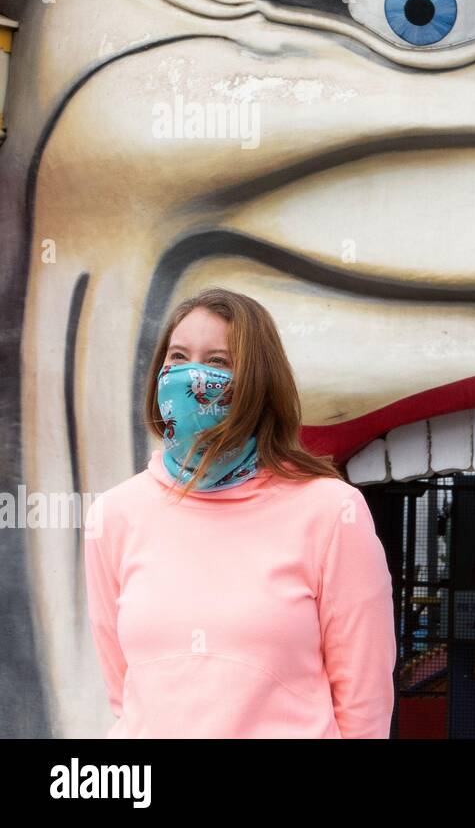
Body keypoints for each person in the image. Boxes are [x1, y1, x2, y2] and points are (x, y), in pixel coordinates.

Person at [82, 287, 396, 738]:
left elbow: (364, 705)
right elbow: (124, 688)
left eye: (218, 363)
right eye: (178, 357)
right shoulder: (114, 514)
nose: (192, 376)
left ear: (258, 383)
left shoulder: (331, 512)